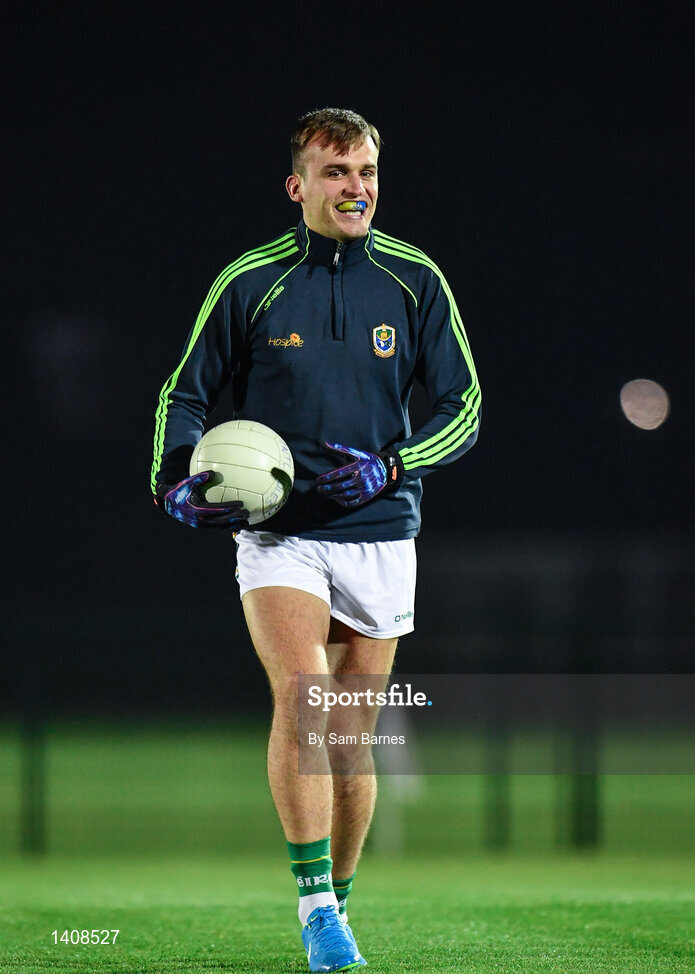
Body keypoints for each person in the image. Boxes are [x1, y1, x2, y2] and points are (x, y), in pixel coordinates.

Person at [151, 107, 481, 973]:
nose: (356, 187)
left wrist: (392, 467)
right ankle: (315, 913)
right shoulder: (250, 281)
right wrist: (175, 478)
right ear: (297, 186)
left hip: (379, 533)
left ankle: (335, 905)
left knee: (347, 736)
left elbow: (466, 409)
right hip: (279, 537)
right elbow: (183, 396)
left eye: (366, 171)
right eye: (336, 173)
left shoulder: (414, 280)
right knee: (304, 702)